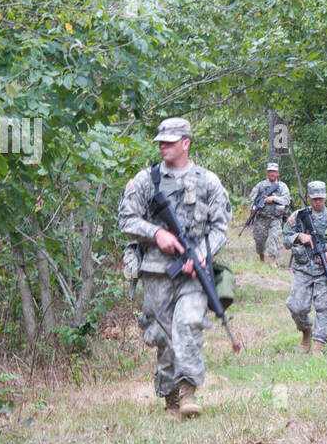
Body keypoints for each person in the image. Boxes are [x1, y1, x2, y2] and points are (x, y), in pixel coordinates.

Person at [118, 117, 232, 418]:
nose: (163, 146)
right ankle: (170, 397)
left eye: (170, 141)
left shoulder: (209, 181)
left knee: (189, 323)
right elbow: (126, 219)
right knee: (164, 336)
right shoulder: (146, 180)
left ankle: (188, 392)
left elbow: (221, 227)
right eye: (160, 142)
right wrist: (156, 233)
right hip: (157, 271)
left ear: (186, 143)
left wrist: (205, 254)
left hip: (193, 270)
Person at [284, 181, 327, 353]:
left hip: (325, 271)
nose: (317, 202)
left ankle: (318, 347)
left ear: (326, 196)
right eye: (314, 199)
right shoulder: (298, 216)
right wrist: (299, 236)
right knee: (296, 306)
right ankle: (306, 331)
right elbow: (285, 239)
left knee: (323, 308)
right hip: (303, 269)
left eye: (320, 198)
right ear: (308, 198)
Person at [246, 162, 292, 264]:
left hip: (276, 218)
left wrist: (273, 199)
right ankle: (261, 256)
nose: (272, 173)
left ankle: (272, 260)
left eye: (274, 171)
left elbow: (287, 200)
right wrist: (253, 208)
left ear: (278, 173)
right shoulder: (260, 185)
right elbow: (251, 199)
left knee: (274, 237)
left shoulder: (282, 186)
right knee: (259, 239)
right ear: (267, 172)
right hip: (262, 218)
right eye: (270, 171)